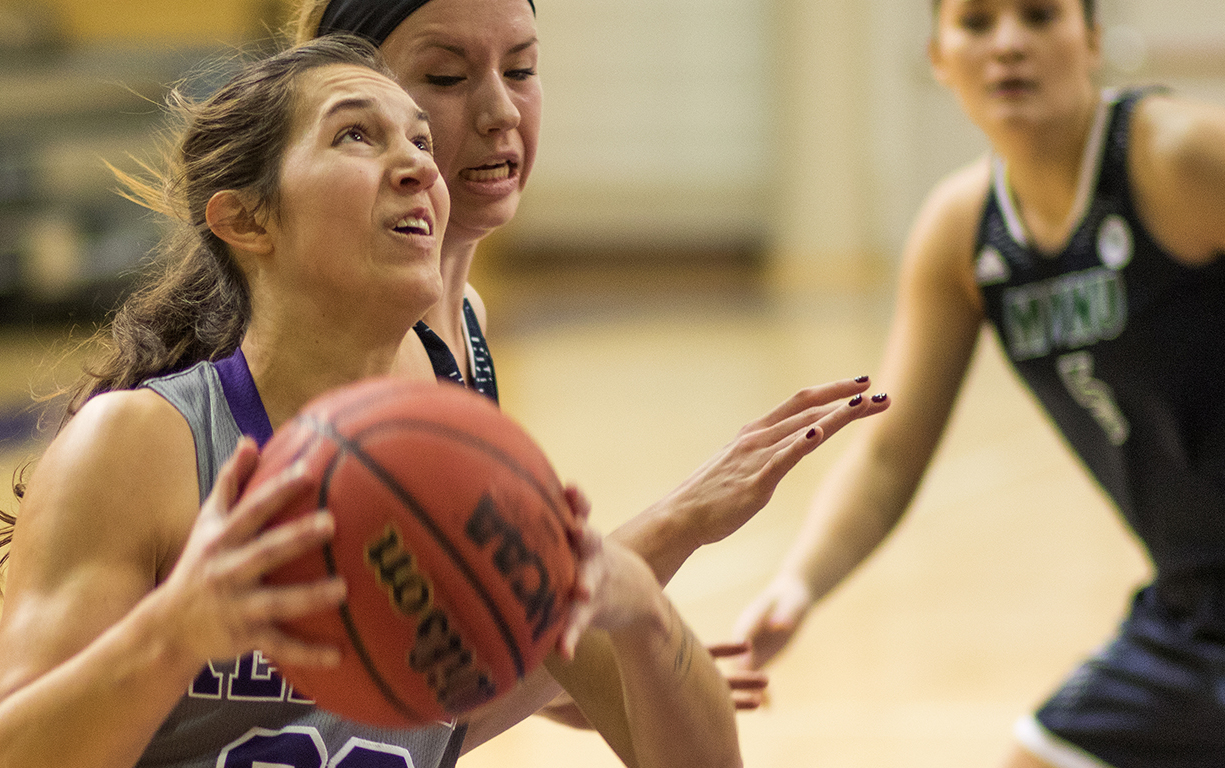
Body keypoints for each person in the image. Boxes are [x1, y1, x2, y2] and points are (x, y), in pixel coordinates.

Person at [0, 36, 750, 768]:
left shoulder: (458, 470)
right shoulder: (143, 444)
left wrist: (643, 608)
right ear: (246, 218)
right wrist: (176, 633)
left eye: (418, 142)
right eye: (355, 136)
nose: (418, 168)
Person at [287, 0, 890, 715]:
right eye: (446, 77)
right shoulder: (366, 349)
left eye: (522, 69)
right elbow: (408, 711)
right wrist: (682, 519)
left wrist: (607, 678)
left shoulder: (464, 317)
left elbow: (462, 634)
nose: (500, 111)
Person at [731, 0, 1225, 765]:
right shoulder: (961, 230)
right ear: (937, 57)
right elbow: (891, 455)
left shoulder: (1179, 155)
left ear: (1091, 41)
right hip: (1193, 605)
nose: (1008, 46)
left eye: (1037, 16)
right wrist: (801, 583)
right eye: (977, 23)